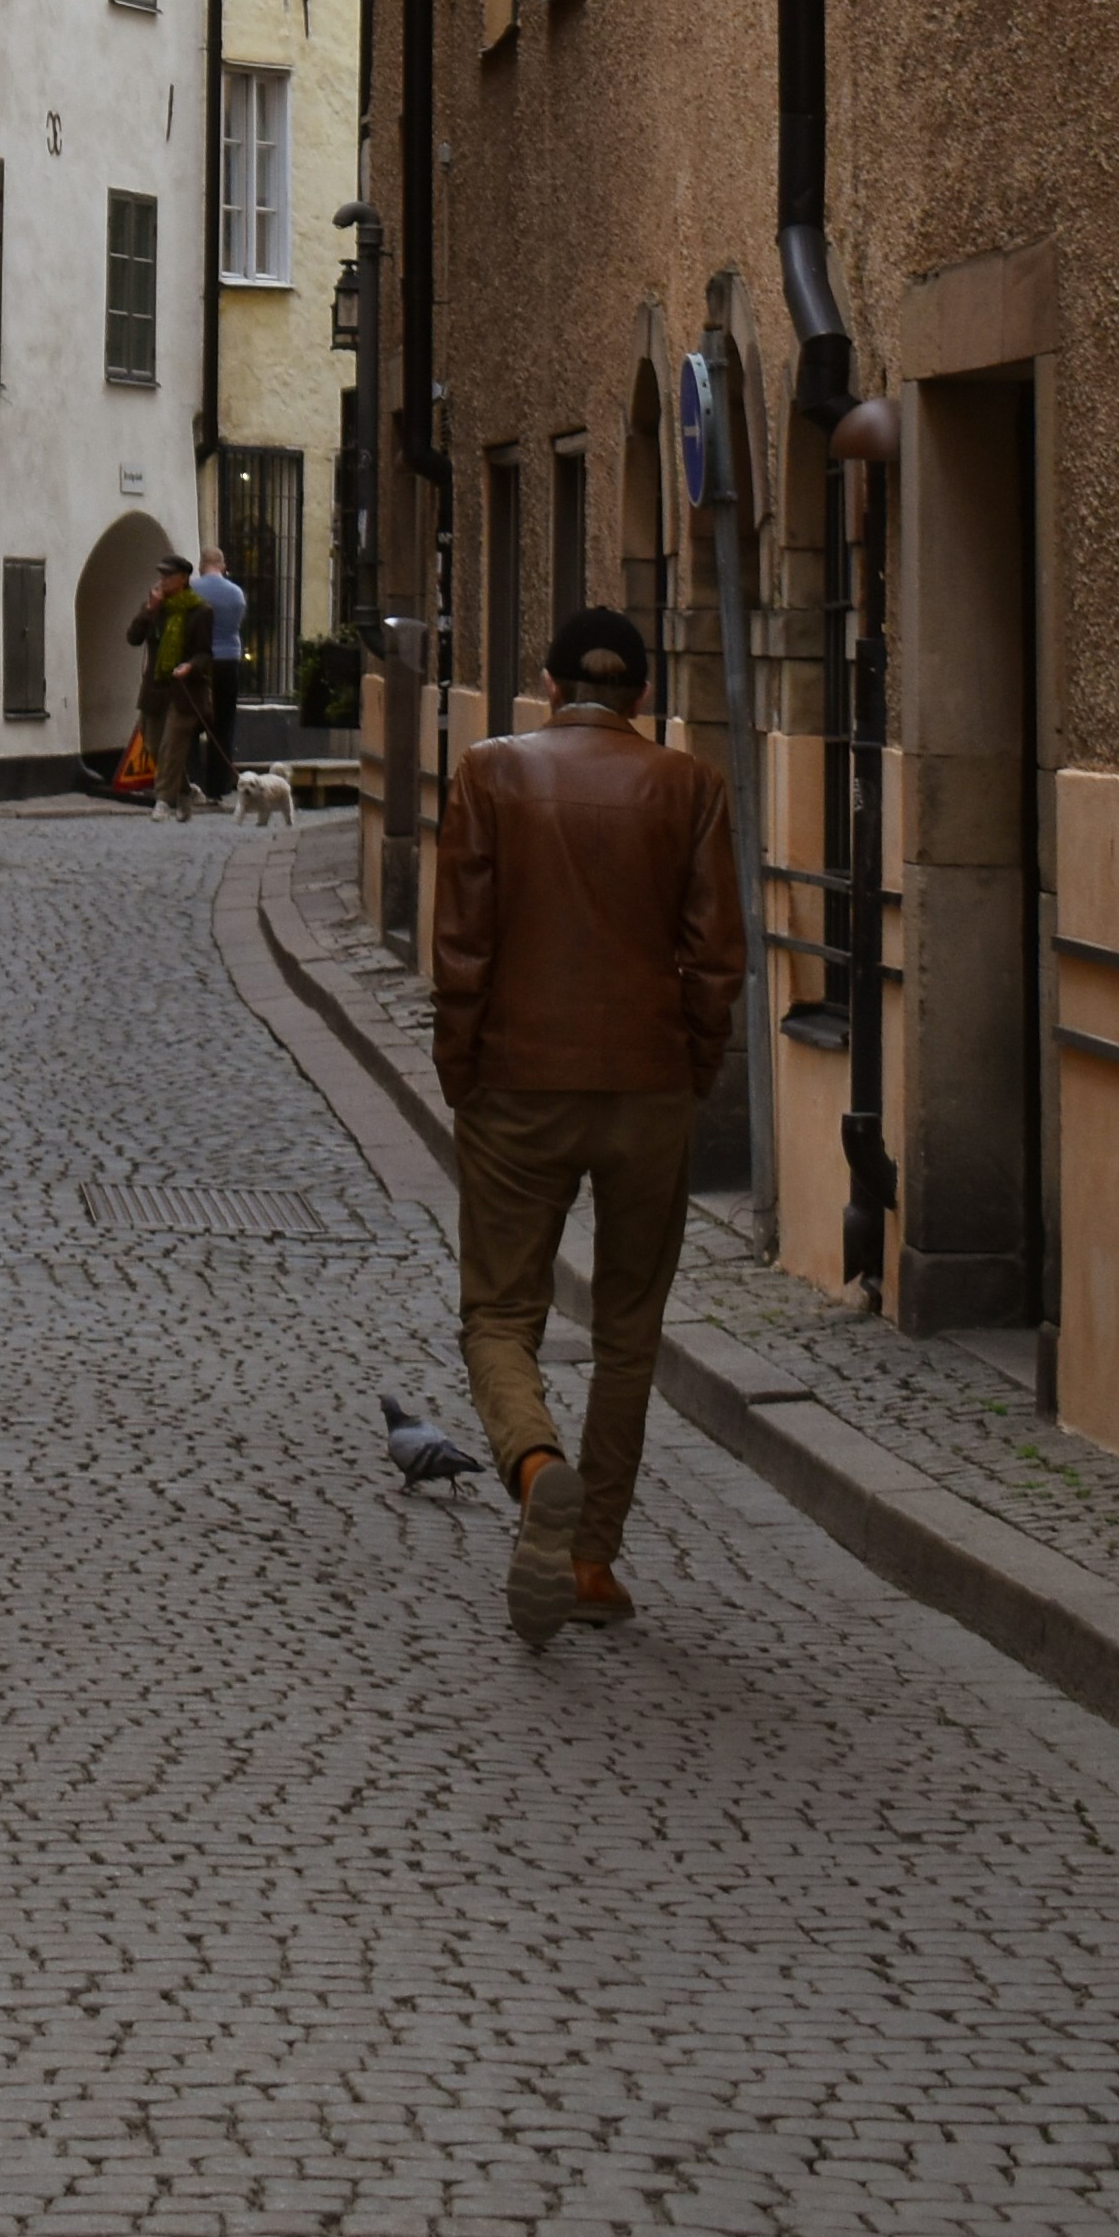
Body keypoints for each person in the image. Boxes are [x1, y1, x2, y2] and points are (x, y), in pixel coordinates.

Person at [429, 603, 746, 1645]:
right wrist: (689, 1068)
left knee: (499, 1315)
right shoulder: (690, 787)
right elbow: (713, 957)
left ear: (550, 687)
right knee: (627, 1336)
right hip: (648, 1088)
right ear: (641, 698)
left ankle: (533, 1466)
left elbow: (462, 942)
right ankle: (590, 1558)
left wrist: (460, 1068)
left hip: (518, 1080)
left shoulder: (487, 773)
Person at [183, 540, 251, 807]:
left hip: (199, 662)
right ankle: (218, 786)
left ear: (201, 566)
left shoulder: (192, 591)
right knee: (223, 723)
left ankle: (191, 781)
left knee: (190, 719)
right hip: (228, 659)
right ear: (222, 566)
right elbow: (237, 623)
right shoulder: (236, 594)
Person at [139, 559, 206, 816]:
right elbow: (133, 637)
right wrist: (149, 610)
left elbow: (205, 653)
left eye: (169, 576)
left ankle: (163, 801)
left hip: (185, 691)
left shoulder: (200, 612)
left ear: (183, 580)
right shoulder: (157, 608)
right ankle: (186, 791)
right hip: (155, 689)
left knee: (171, 747)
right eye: (161, 575)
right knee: (154, 746)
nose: (163, 580)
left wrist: (190, 666)